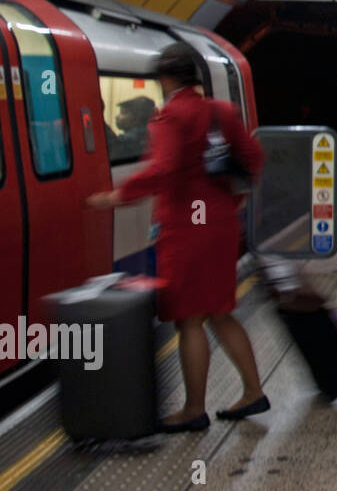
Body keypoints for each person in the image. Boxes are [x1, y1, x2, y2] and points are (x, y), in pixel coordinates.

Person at [87, 45, 269, 432]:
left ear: (166, 79)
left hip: (188, 229)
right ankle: (253, 391)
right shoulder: (221, 112)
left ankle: (193, 409)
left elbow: (164, 170)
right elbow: (253, 157)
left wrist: (118, 196)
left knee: (189, 321)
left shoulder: (171, 115)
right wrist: (231, 200)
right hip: (217, 226)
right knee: (219, 311)